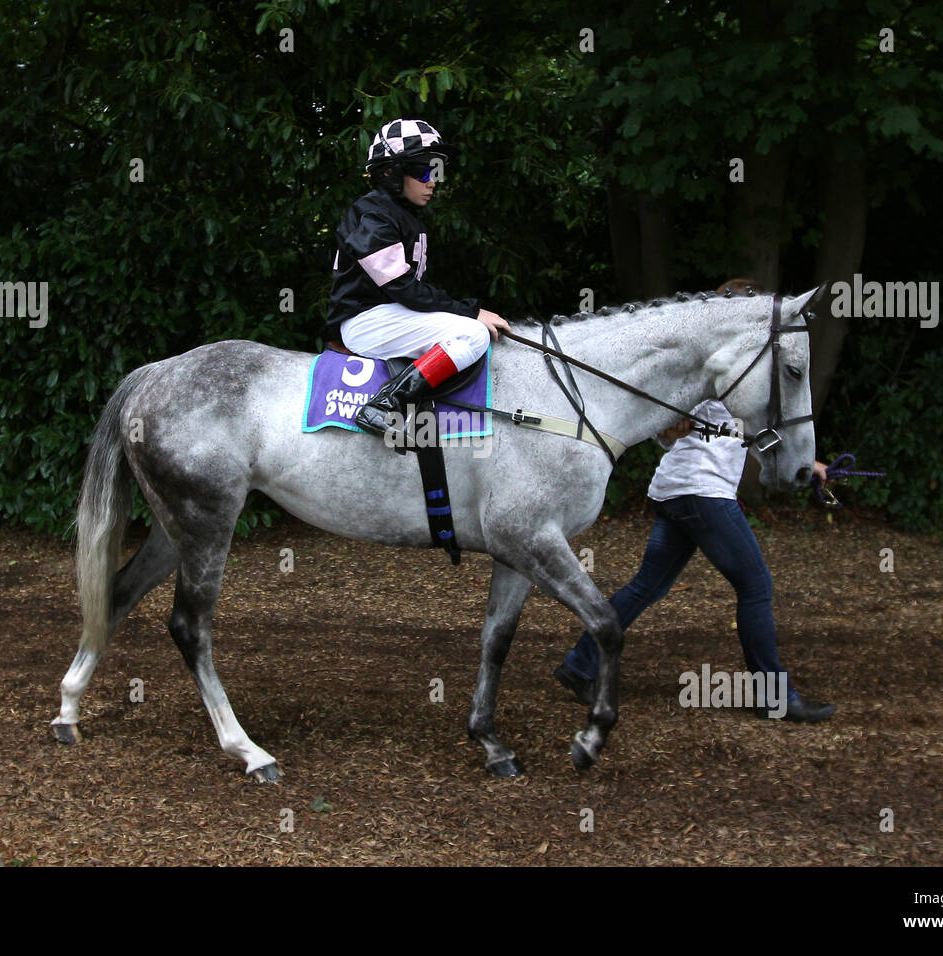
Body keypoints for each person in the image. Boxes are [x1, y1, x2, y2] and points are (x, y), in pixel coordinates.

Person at [553, 401, 837, 723]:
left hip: (676, 489)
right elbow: (663, 423)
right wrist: (669, 426)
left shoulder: (734, 375)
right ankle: (775, 698)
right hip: (703, 491)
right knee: (755, 586)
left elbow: (755, 435)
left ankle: (580, 664)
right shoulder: (721, 368)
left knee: (646, 586)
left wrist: (806, 464)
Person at [324, 118, 509, 437]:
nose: (433, 180)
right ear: (389, 172)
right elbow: (407, 291)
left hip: (388, 315)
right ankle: (382, 406)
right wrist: (471, 311)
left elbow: (416, 293)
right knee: (472, 335)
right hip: (364, 322)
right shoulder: (372, 216)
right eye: (424, 170)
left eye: (436, 171)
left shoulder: (402, 217)